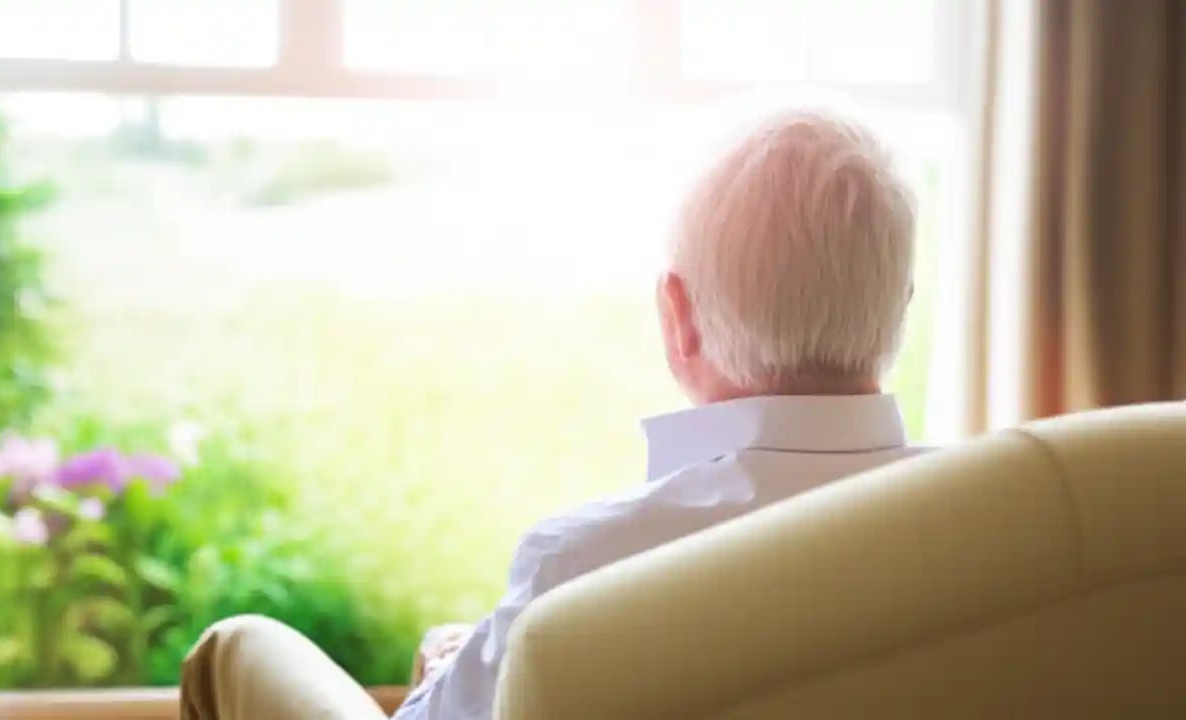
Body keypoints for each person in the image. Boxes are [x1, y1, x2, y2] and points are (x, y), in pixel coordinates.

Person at [180, 108, 922, 720]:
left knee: (237, 649)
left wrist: (454, 674)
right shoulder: (1013, 527)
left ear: (679, 317)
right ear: (902, 307)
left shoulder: (579, 568)